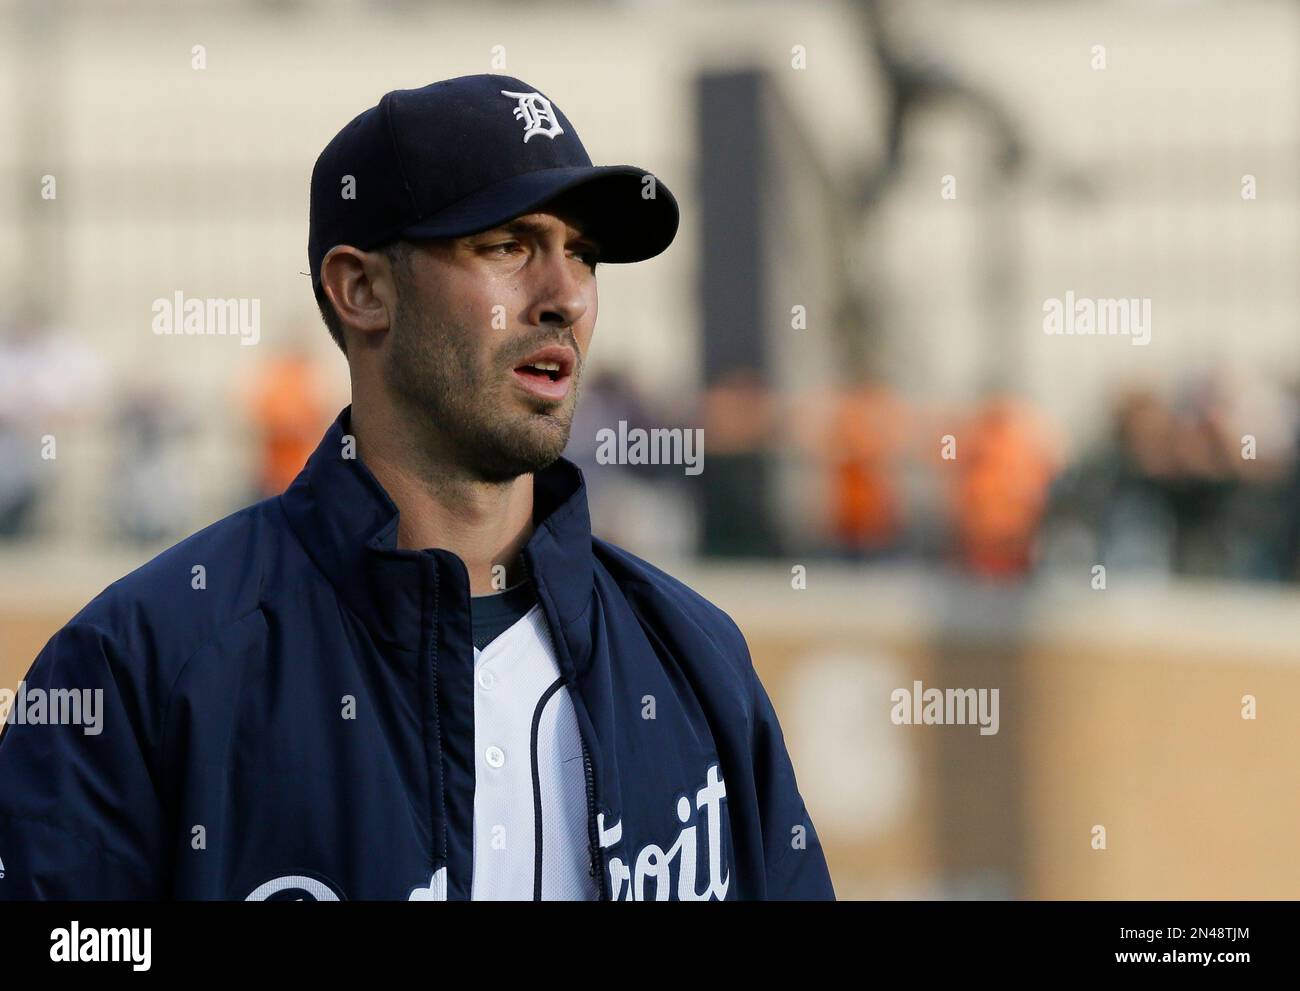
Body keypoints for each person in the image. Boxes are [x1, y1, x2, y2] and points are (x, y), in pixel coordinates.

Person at [0, 75, 834, 901]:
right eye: (508, 245)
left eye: (580, 252)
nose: (566, 296)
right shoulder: (139, 661)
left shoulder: (696, 655)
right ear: (362, 288)